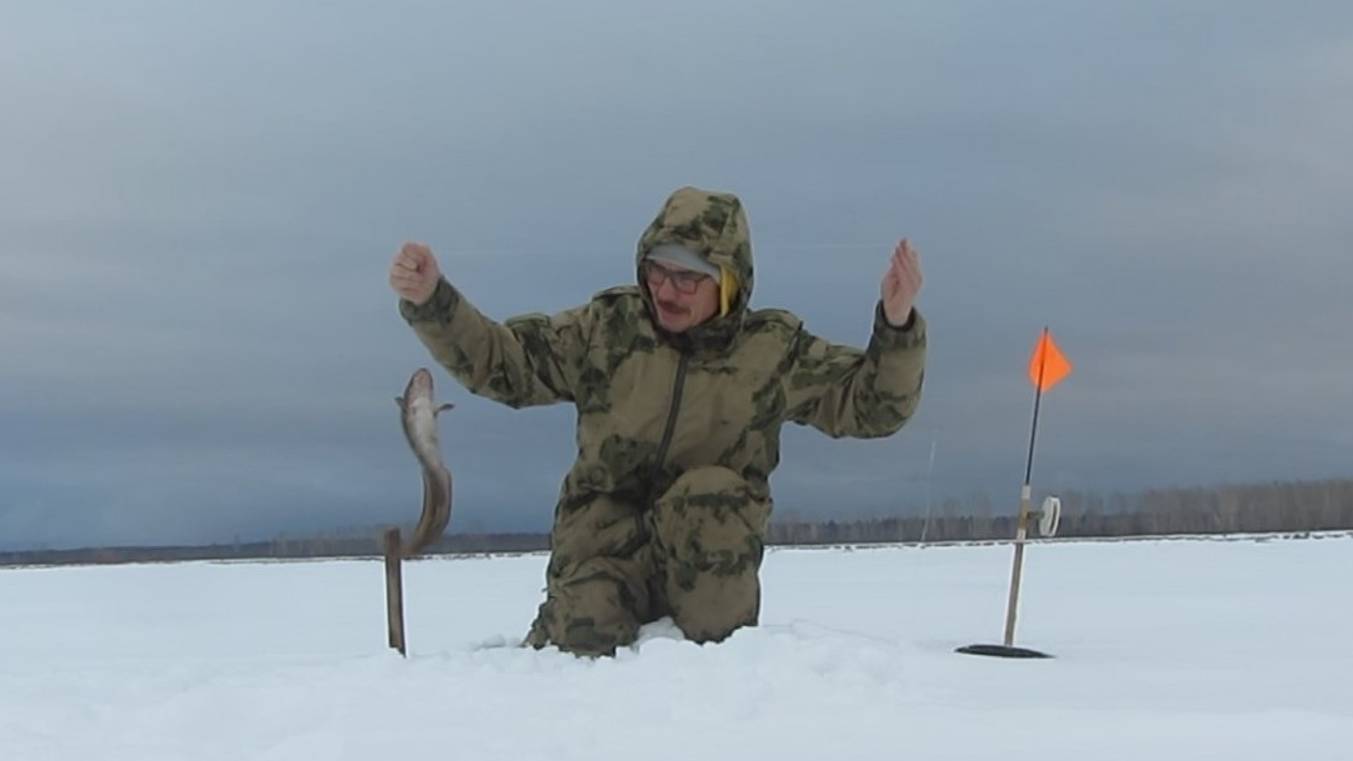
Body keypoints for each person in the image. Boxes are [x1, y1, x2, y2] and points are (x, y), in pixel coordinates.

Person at [389, 186, 925, 656]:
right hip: (602, 542)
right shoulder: (607, 329)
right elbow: (504, 364)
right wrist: (434, 302)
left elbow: (873, 407)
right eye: (658, 271)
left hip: (707, 551)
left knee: (711, 517)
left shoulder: (772, 351)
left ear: (729, 283)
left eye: (688, 278)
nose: (666, 291)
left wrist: (897, 327)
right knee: (583, 636)